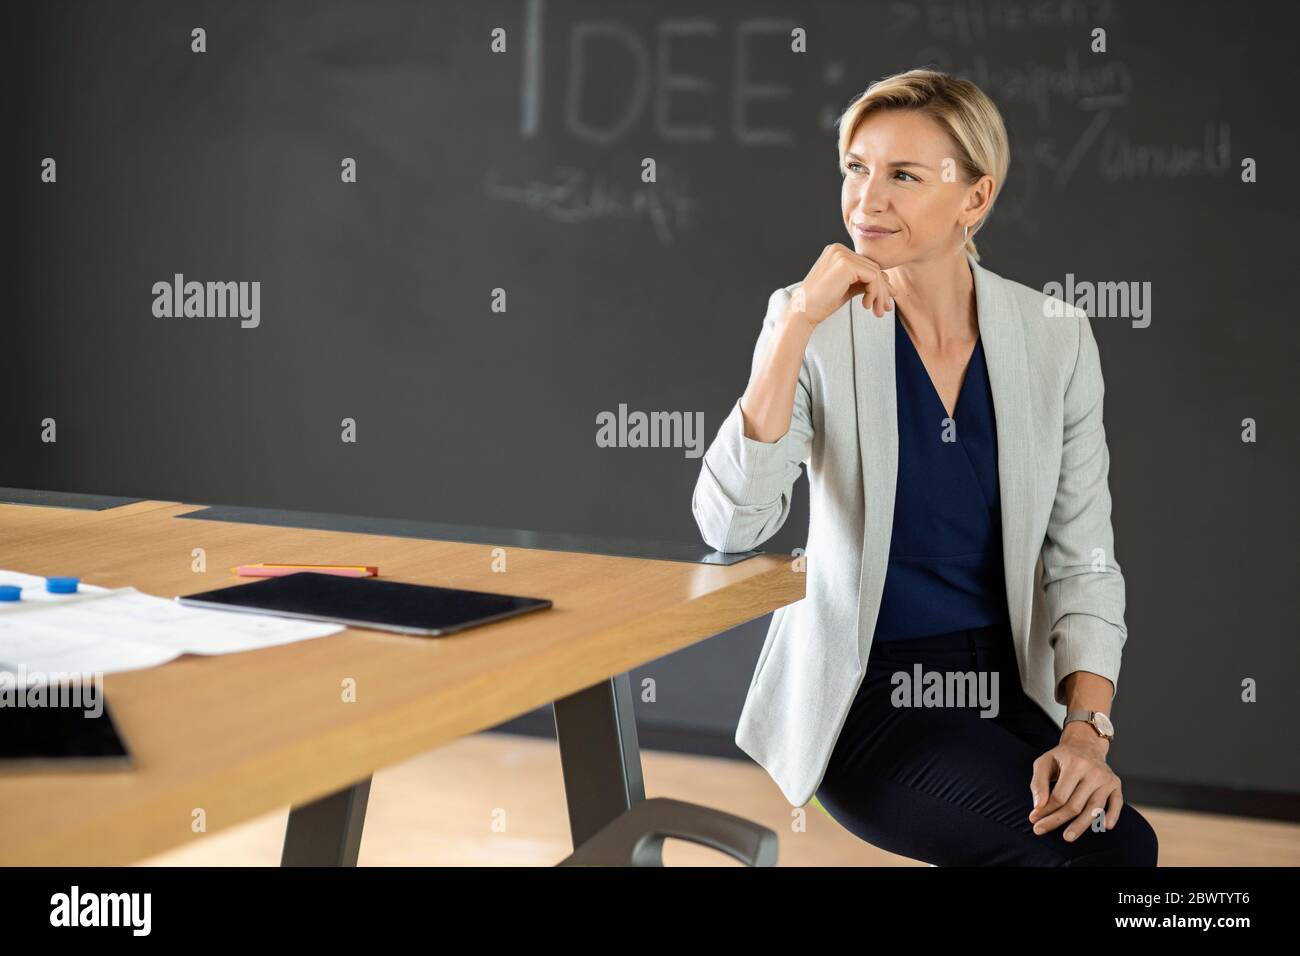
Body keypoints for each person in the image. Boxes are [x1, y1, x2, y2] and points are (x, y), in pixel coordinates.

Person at [692, 68, 1157, 865]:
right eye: (856, 168)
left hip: (1007, 689)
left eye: (904, 175)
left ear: (975, 199)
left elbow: (1085, 560)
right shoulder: (810, 323)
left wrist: (1087, 730)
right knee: (1085, 858)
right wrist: (795, 325)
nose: (868, 199)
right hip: (865, 700)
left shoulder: (1056, 337)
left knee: (1119, 847)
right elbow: (730, 526)